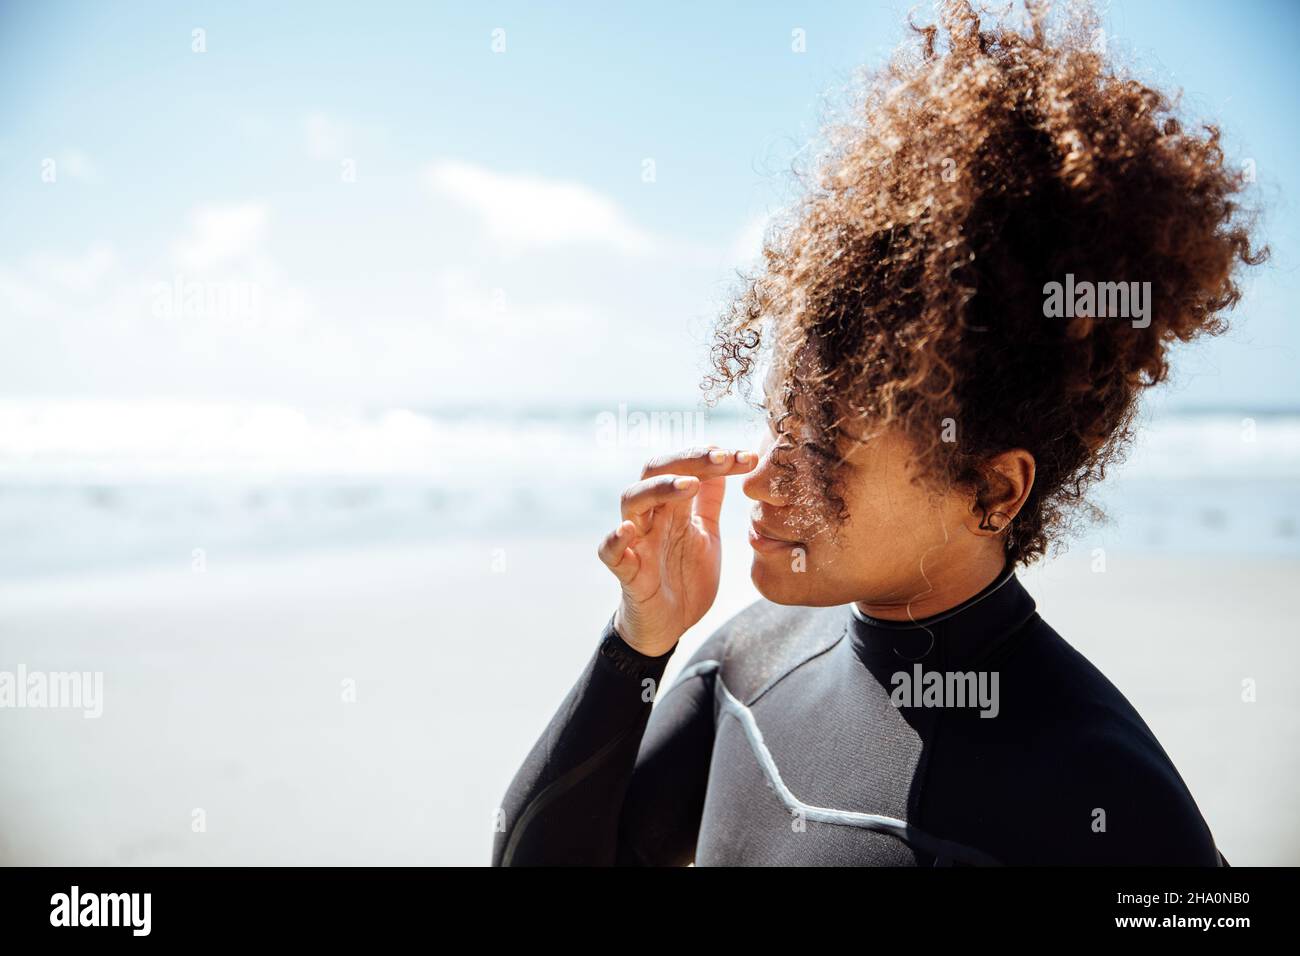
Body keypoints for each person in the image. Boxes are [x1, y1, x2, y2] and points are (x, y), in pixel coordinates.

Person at [491, 0, 1263, 866]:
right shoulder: (746, 665)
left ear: (993, 491)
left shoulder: (1106, 795)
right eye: (781, 427)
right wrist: (642, 640)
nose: (763, 482)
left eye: (823, 453)